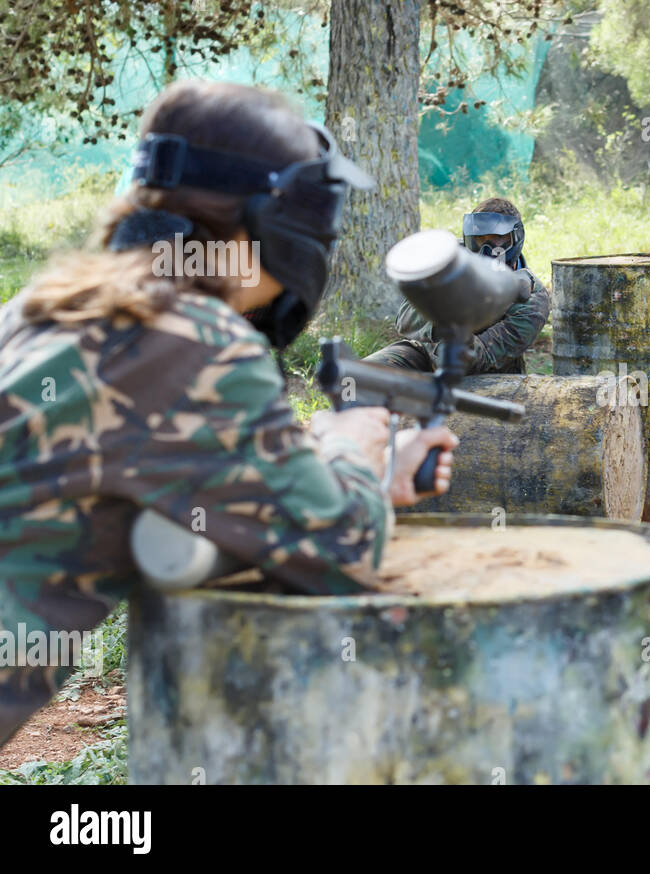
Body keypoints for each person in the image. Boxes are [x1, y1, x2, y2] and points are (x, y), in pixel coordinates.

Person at [0, 80, 458, 745]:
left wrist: (351, 467)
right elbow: (344, 551)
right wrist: (348, 446)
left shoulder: (41, 309)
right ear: (275, 221)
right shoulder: (198, 342)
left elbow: (176, 454)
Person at [366, 197, 550, 373]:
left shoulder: (532, 298)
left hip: (485, 371)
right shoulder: (452, 259)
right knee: (360, 375)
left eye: (496, 239)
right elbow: (404, 320)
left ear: (515, 239)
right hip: (426, 350)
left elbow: (482, 358)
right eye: (480, 240)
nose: (485, 249)